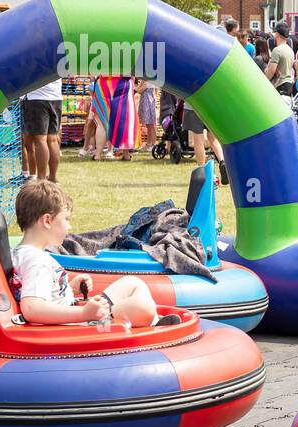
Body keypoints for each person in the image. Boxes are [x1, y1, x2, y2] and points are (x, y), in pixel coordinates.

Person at [11, 180, 180, 328]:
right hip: (75, 324)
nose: (69, 227)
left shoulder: (25, 254)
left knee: (132, 283)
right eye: (66, 220)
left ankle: (152, 320)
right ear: (47, 220)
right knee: (144, 307)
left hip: (74, 313)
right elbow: (32, 309)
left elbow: (46, 295)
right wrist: (84, 313)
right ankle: (152, 322)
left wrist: (71, 289)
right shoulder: (37, 262)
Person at [22, 74, 62, 181]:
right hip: (56, 98)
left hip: (36, 99)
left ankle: (41, 179)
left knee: (40, 140)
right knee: (53, 139)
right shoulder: (57, 57)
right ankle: (53, 178)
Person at [264, 23, 296, 94]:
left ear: (277, 34)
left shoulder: (277, 50)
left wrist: (263, 83)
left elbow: (271, 70)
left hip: (280, 84)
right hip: (289, 83)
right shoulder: (290, 50)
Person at [135, 77, 157, 160]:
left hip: (148, 102)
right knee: (148, 124)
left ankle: (153, 144)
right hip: (147, 101)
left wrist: (136, 88)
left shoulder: (148, 83)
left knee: (150, 124)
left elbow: (139, 91)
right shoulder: (147, 82)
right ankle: (149, 144)